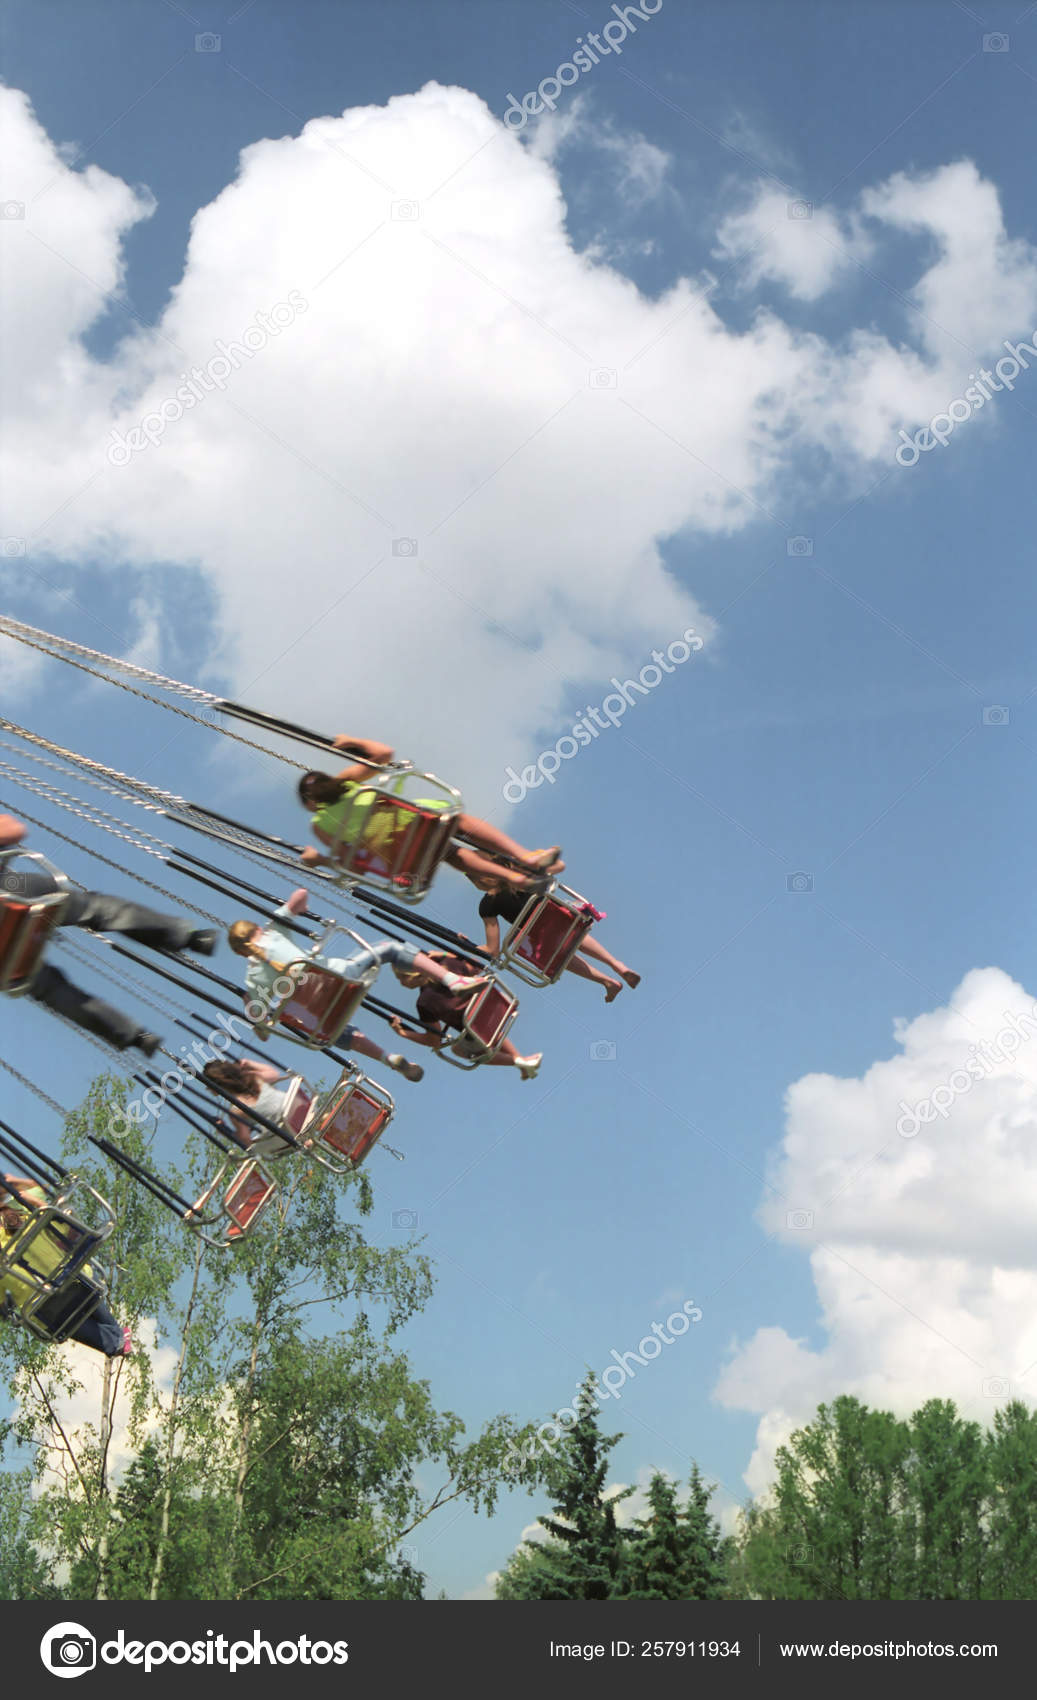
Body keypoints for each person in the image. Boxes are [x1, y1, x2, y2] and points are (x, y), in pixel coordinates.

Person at [0, 813, 216, 1056]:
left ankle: (135, 1037)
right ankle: (188, 938)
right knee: (95, 908)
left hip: (5, 959)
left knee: (47, 989)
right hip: (12, 896)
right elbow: (14, 829)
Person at [297, 735, 564, 893]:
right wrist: (351, 741)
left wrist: (320, 860)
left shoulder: (320, 825)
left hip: (404, 863)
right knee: (458, 820)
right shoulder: (347, 783)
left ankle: (514, 877)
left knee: (449, 854)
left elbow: (351, 864)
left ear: (310, 802)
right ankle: (526, 857)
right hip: (419, 825)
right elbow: (384, 752)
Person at [227, 888, 489, 1034]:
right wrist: (295, 911)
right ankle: (452, 980)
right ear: (255, 929)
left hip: (324, 1013)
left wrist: (252, 1005)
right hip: (342, 977)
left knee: (332, 1032)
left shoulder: (252, 979)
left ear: (241, 953)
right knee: (389, 948)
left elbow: (259, 1023)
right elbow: (300, 894)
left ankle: (388, 1059)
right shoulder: (273, 930)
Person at [0, 1174, 131, 1357]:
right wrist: (17, 1184)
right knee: (88, 1292)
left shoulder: (19, 1207)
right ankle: (117, 1338)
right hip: (74, 1278)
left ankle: (116, 1341)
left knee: (65, 1318)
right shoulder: (22, 1205)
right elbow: (42, 1186)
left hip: (43, 1308)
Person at [474, 876, 641, 1003]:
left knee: (555, 954)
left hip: (541, 936)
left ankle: (606, 981)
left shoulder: (487, 904)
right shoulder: (517, 875)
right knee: (571, 934)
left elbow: (492, 949)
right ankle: (616, 964)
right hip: (560, 917)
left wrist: (470, 947)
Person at [389, 951, 543, 1080]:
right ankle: (523, 1064)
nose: (402, 984)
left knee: (458, 1049)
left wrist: (403, 1033)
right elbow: (475, 965)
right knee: (485, 1027)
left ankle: (519, 1061)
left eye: (401, 978)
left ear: (411, 975)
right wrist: (442, 954)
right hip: (496, 1007)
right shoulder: (450, 964)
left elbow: (434, 1039)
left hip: (476, 1029)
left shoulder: (424, 1002)